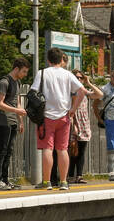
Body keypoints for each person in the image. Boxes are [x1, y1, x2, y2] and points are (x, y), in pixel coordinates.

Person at [31, 48, 87, 192]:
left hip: (46, 116)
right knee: (62, 150)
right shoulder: (67, 74)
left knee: (47, 149)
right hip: (64, 116)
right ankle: (63, 182)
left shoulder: (42, 73)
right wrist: (73, 108)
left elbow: (33, 92)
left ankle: (47, 181)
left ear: (48, 60)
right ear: (61, 59)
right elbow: (82, 91)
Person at [0, 57, 29, 190]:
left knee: (8, 151)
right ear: (16, 69)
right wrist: (16, 110)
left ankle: (5, 180)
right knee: (1, 151)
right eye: (23, 71)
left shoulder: (17, 83)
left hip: (13, 121)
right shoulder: (4, 82)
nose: (24, 74)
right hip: (3, 120)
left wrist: (20, 121)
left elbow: (16, 102)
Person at [67, 68, 102, 184]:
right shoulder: (69, 91)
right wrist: (73, 125)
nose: (78, 79)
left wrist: (88, 83)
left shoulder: (84, 91)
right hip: (73, 121)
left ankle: (79, 175)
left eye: (80, 77)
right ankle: (70, 175)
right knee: (72, 150)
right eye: (76, 77)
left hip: (84, 123)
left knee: (81, 151)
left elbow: (99, 94)